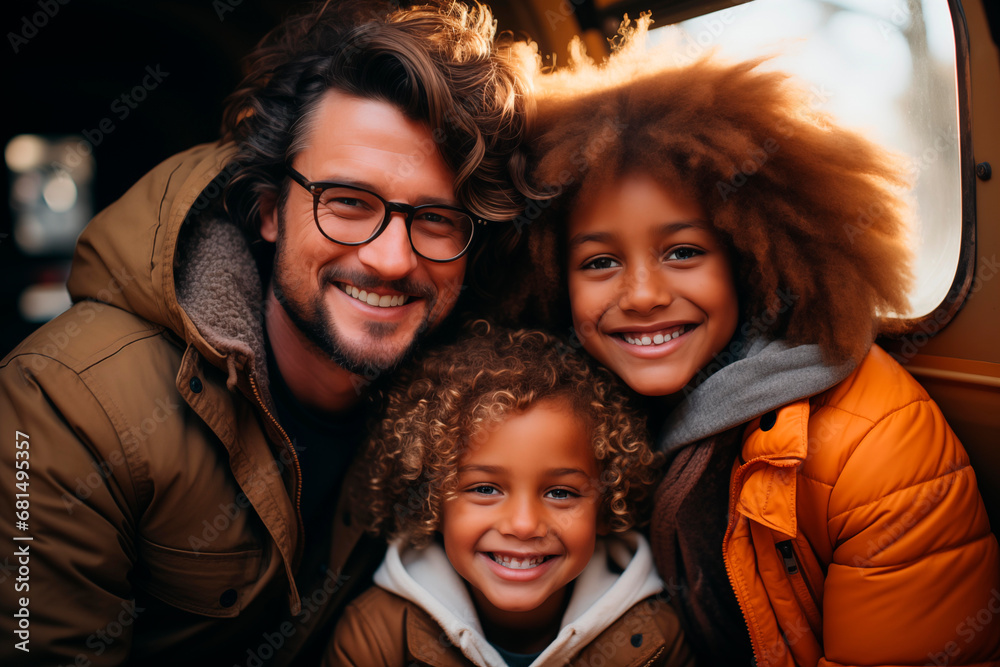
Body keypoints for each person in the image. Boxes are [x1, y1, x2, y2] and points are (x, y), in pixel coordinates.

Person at [0, 2, 535, 664]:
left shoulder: (469, 397)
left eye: (435, 218)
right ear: (269, 210)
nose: (392, 259)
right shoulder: (66, 403)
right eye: (347, 202)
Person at [513, 16, 1000, 666]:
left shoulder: (877, 453)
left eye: (683, 251)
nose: (642, 294)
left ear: (747, 257)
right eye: (599, 262)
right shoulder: (560, 412)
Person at [325, 322, 693, 667]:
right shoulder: (375, 639)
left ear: (608, 503)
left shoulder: (659, 639)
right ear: (431, 502)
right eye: (485, 489)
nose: (523, 524)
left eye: (561, 493)